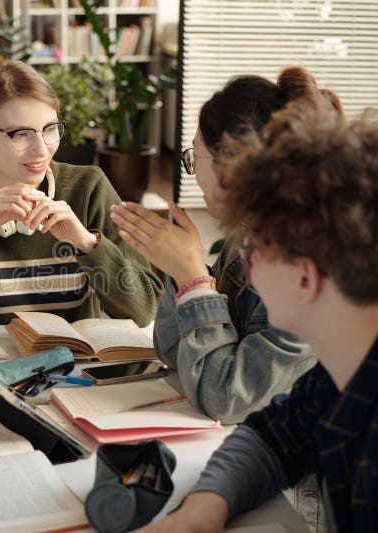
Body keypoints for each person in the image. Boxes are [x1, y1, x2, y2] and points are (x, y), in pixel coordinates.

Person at [140, 97, 378, 533]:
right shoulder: (345, 368)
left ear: (306, 277)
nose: (245, 263)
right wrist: (206, 505)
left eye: (257, 245)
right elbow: (271, 438)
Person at [111, 67, 343, 424]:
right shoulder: (246, 239)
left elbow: (225, 398)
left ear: (233, 166)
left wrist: (193, 280)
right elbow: (176, 355)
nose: (193, 173)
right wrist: (181, 274)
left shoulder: (320, 272)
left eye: (194, 158)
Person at [0, 60, 162, 329]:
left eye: (50, 129)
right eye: (21, 134)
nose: (41, 150)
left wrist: (86, 243)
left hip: (77, 366)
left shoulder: (89, 187)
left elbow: (144, 311)